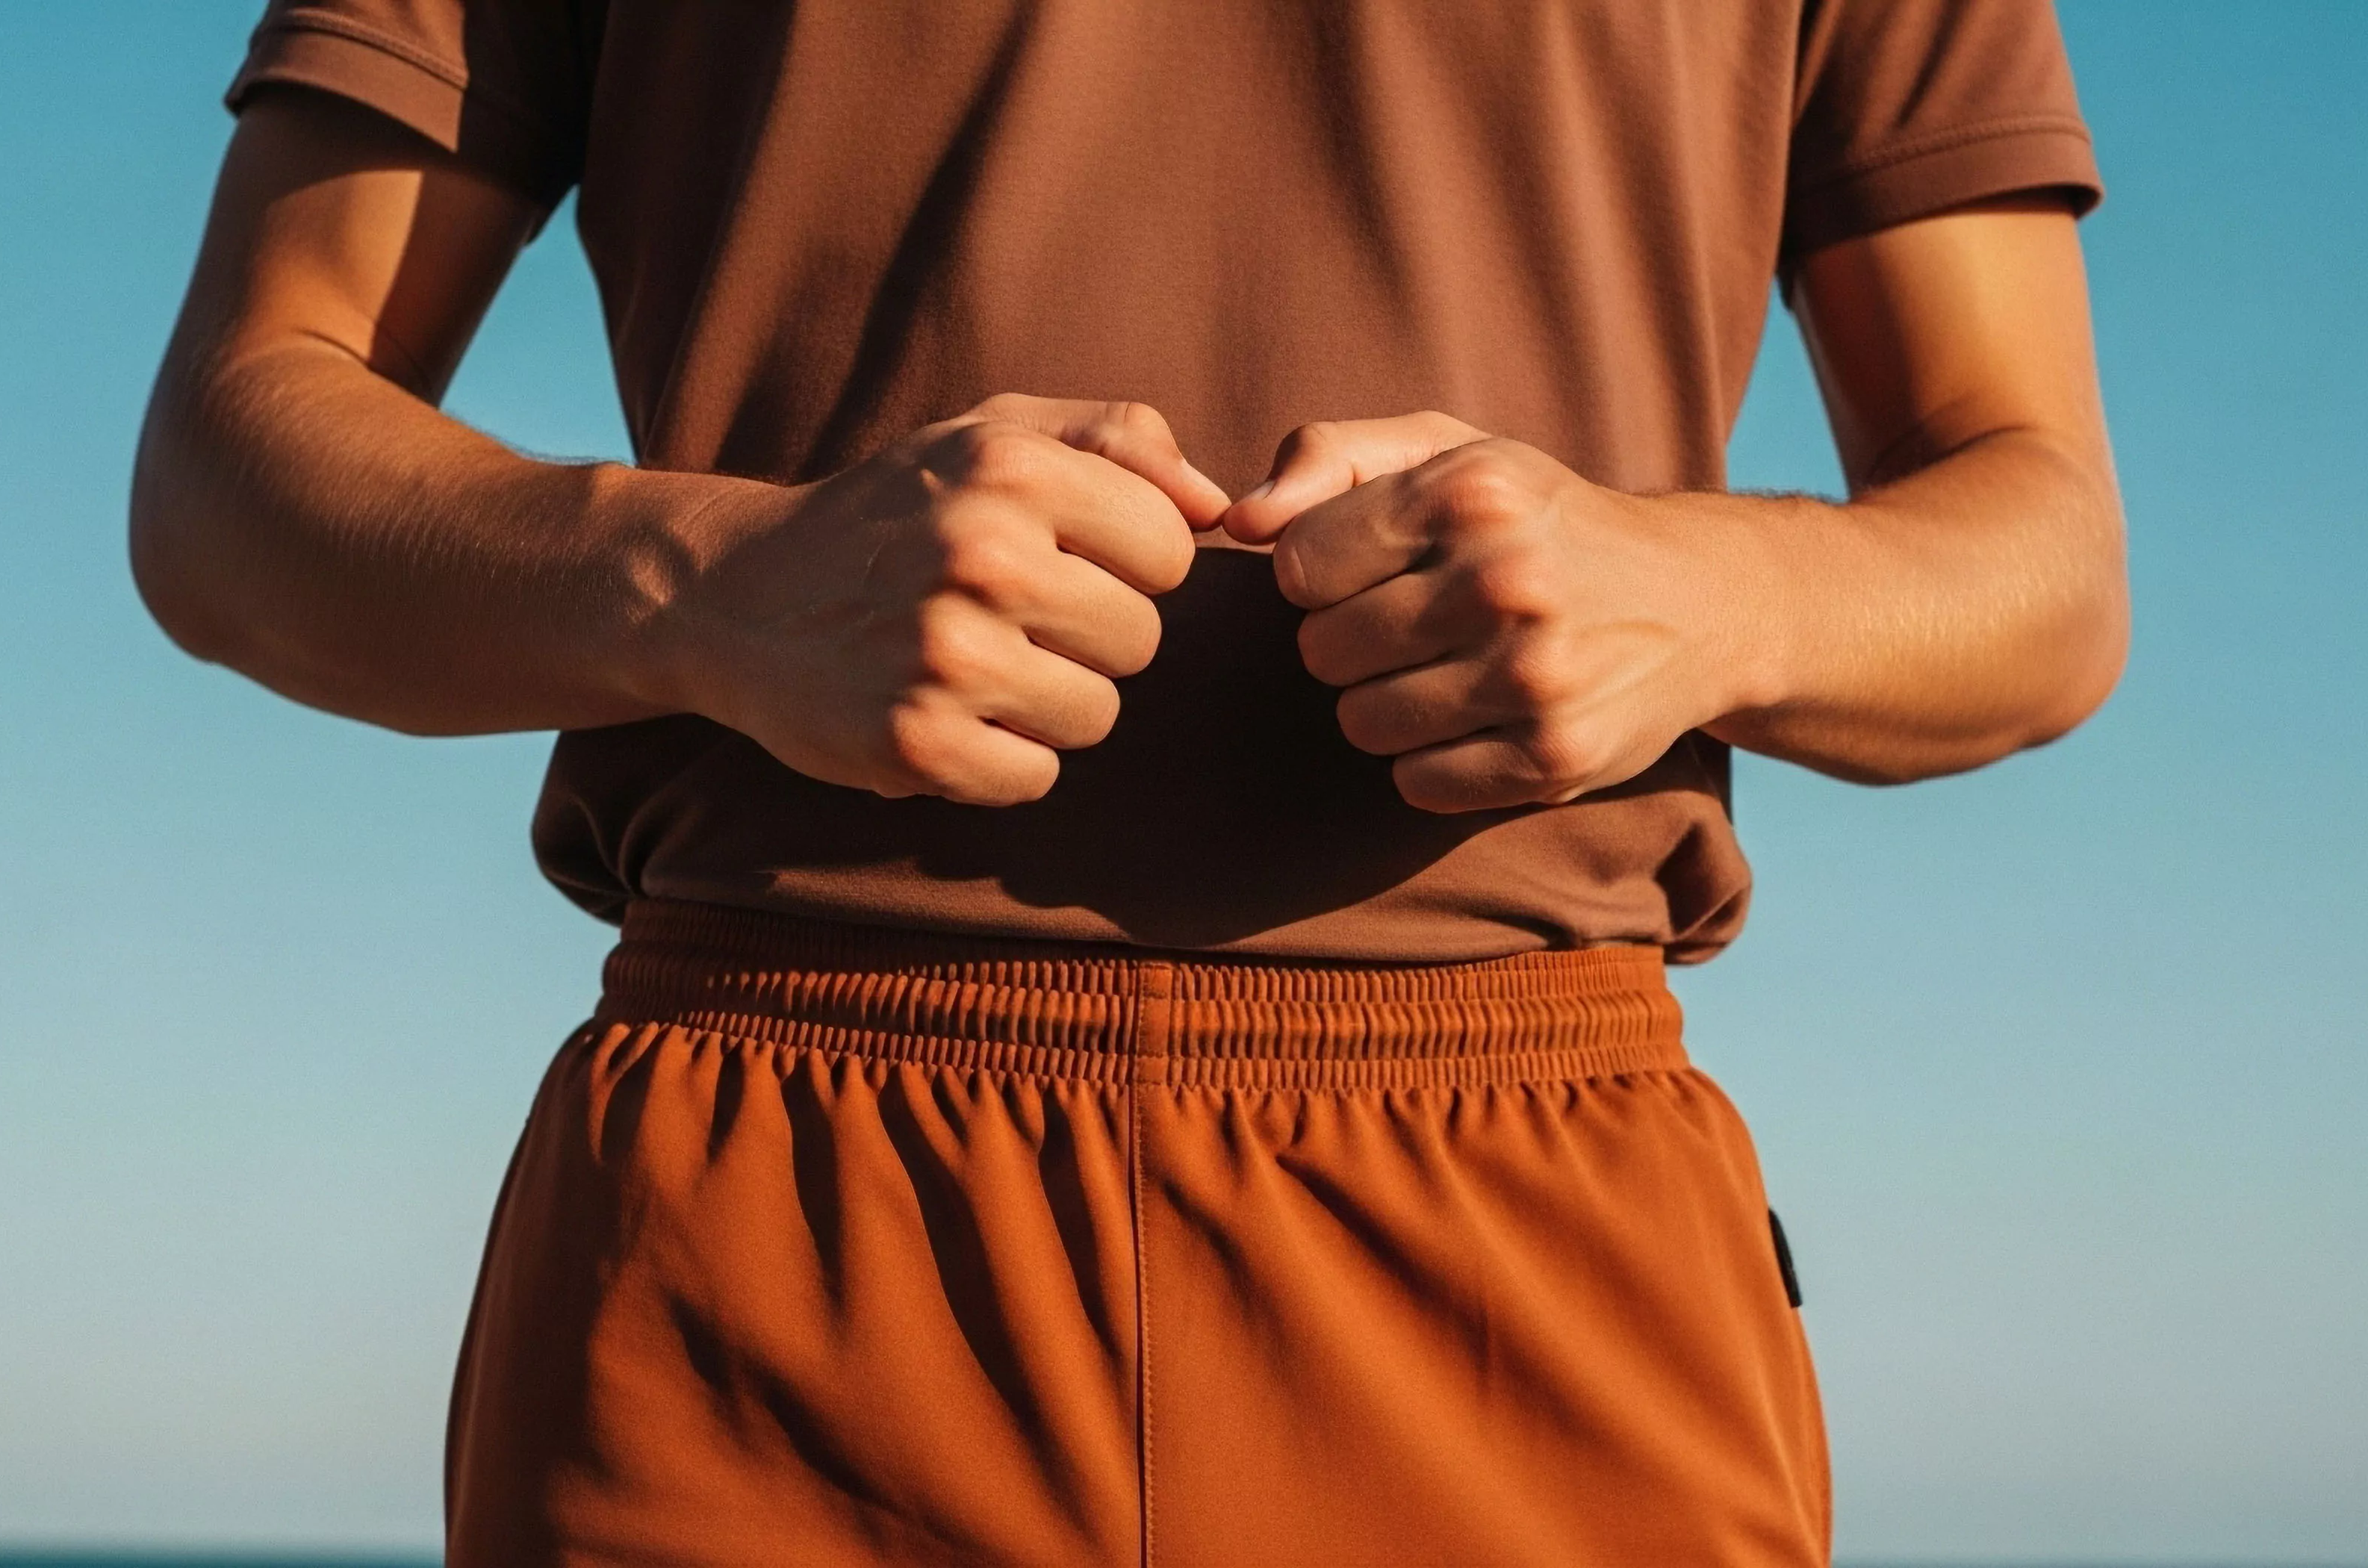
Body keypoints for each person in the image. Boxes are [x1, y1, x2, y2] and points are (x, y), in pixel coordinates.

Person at [133, 1, 2124, 1561]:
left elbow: (2045, 560)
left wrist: (1704, 592)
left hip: (1529, 1244)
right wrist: (718, 589)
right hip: (782, 1243)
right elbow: (233, 470)